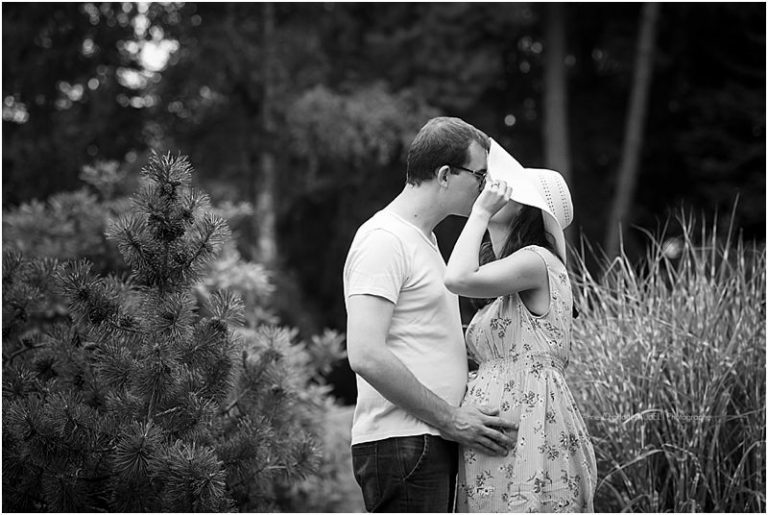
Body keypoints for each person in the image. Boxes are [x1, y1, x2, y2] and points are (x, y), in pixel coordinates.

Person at [343, 117, 517, 513]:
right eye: (480, 175)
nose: (486, 187)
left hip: (424, 441)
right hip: (404, 443)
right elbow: (365, 354)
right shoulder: (384, 240)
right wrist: (452, 419)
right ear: (444, 174)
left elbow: (422, 336)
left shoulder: (425, 241)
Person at [445, 139, 597, 512]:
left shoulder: (536, 261)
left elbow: (457, 278)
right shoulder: (506, 282)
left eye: (506, 189)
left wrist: (479, 213)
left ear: (525, 209)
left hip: (533, 431)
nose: (492, 190)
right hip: (497, 441)